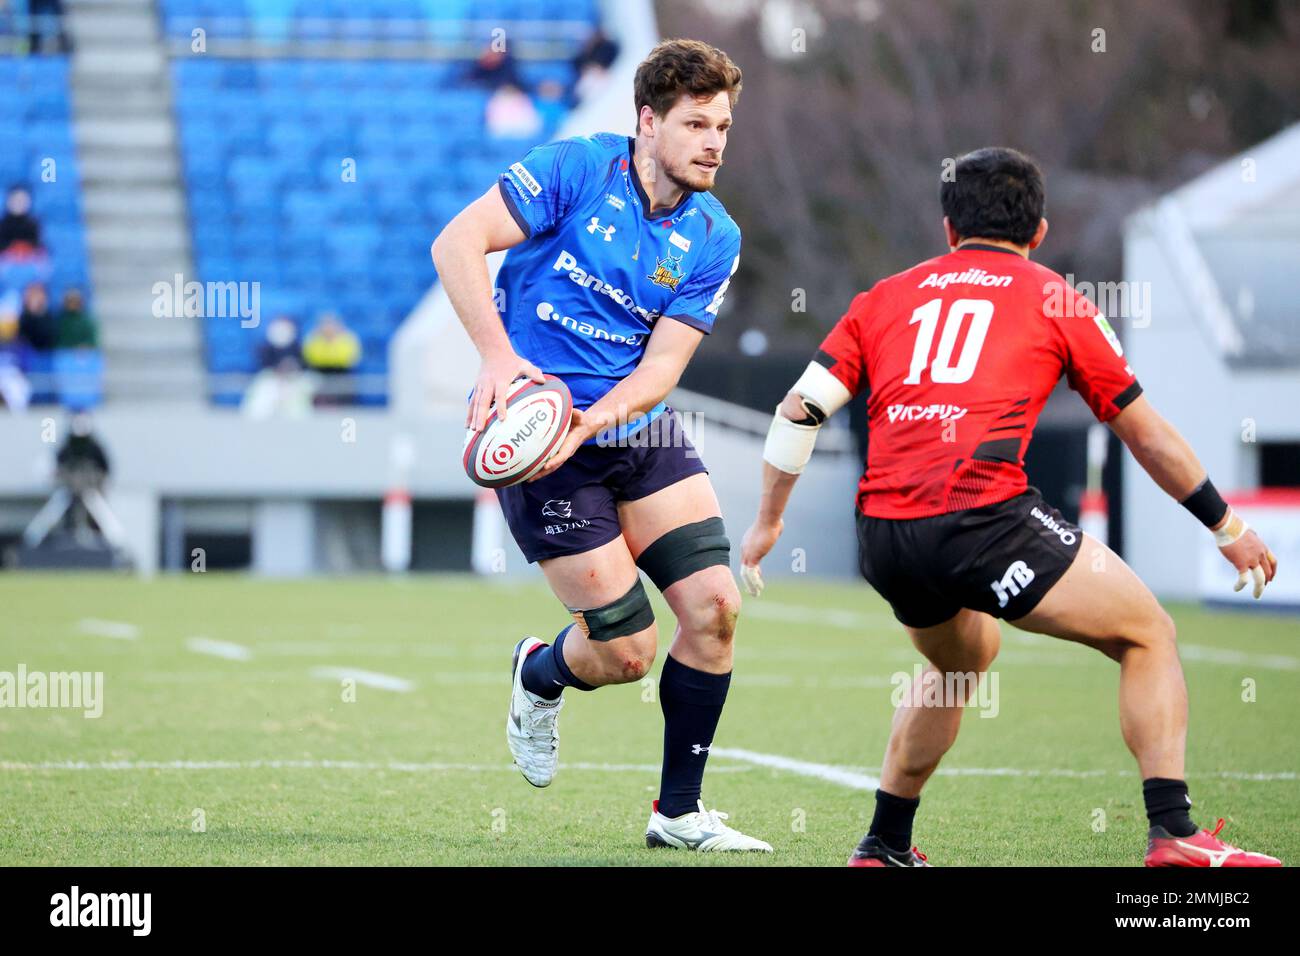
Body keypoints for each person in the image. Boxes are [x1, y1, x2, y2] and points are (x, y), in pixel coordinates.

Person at [739, 147, 1282, 868]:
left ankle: (884, 844)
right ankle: (1175, 834)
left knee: (965, 657)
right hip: (982, 519)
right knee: (1149, 633)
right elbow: (1144, 433)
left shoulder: (886, 296)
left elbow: (799, 409)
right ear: (1041, 230)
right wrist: (1227, 524)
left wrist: (770, 520)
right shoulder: (1056, 297)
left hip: (886, 536)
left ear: (947, 228)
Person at [432, 39, 764, 852]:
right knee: (626, 653)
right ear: (647, 122)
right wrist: (500, 360)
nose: (714, 141)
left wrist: (593, 418)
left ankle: (678, 814)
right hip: (539, 433)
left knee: (716, 608)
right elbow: (456, 244)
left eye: (722, 124)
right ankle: (538, 674)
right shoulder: (576, 168)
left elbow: (662, 369)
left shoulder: (715, 235)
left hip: (631, 424)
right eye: (695, 123)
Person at [301, 312, 361, 405]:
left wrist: (331, 347)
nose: (328, 328)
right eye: (325, 325)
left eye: (331, 325)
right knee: (310, 383)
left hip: (341, 371)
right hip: (319, 371)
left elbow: (349, 358)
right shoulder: (313, 339)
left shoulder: (347, 338)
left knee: (345, 384)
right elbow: (311, 358)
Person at [0, 186, 42, 254]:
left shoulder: (33, 224)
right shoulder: (2, 225)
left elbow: (38, 249)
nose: (19, 203)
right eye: (15, 200)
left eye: (22, 200)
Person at [18, 282, 58, 351]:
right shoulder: (24, 316)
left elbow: (50, 338)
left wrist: (39, 312)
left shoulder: (50, 315)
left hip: (47, 353)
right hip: (27, 354)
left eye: (38, 293)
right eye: (33, 294)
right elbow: (24, 337)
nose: (36, 297)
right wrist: (32, 312)